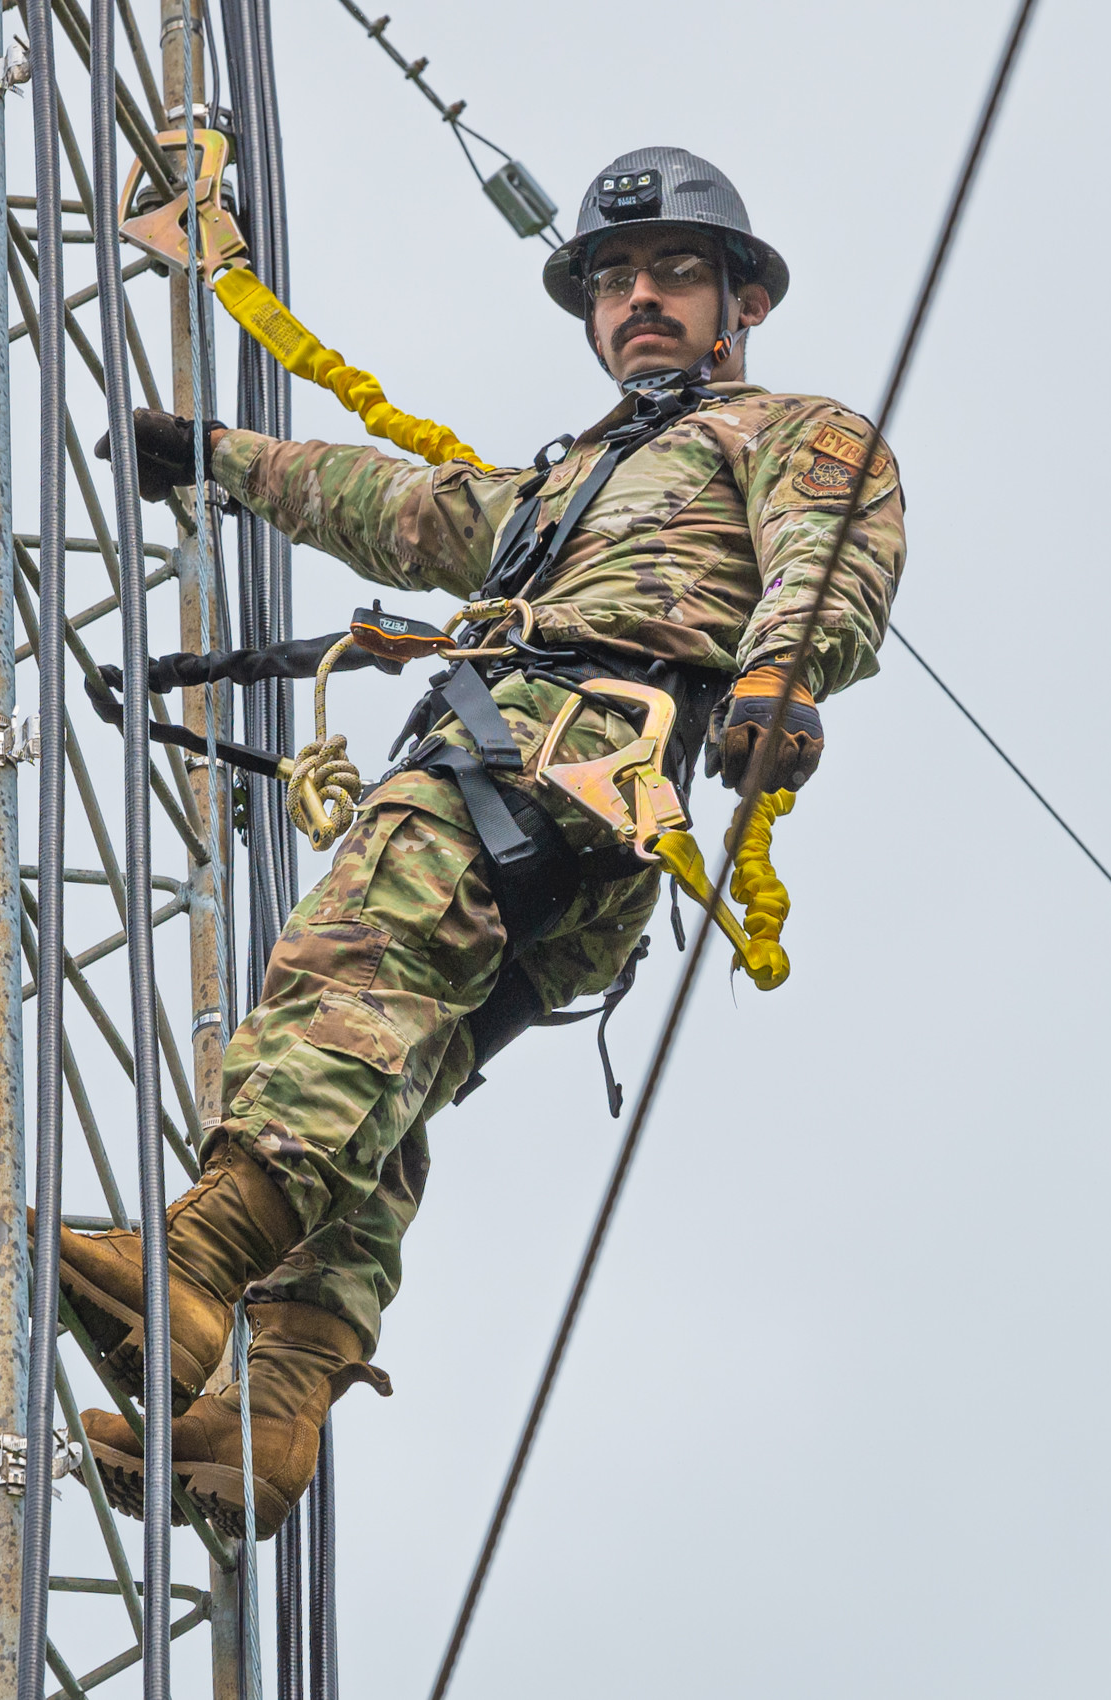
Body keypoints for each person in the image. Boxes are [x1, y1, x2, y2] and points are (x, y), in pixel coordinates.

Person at [75, 147, 905, 1536]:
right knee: (385, 1070)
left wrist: (782, 678)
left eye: (674, 276)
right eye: (615, 280)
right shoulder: (566, 488)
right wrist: (222, 461)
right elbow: (406, 513)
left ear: (738, 301)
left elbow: (827, 557)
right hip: (568, 803)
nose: (640, 298)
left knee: (341, 987)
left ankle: (194, 1262)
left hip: (568, 748)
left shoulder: (785, 431)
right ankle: (267, 1412)